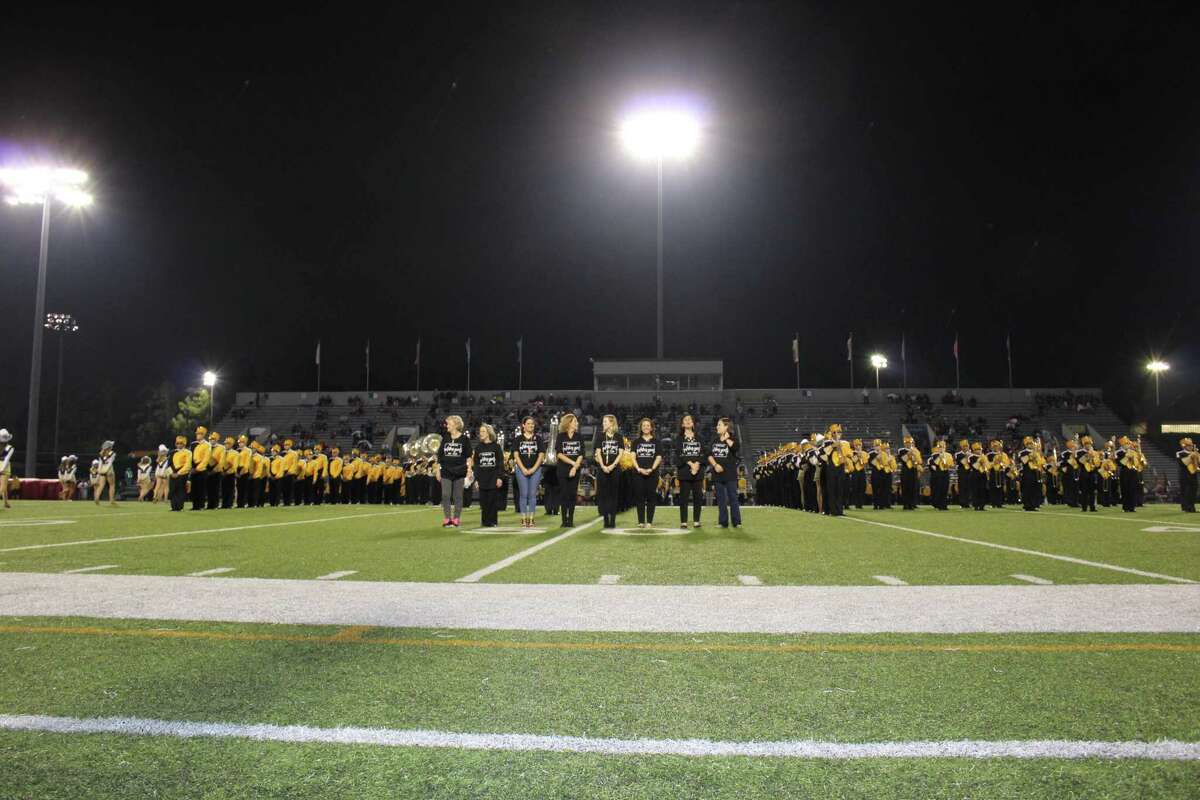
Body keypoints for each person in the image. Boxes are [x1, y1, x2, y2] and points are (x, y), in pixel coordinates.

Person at [435, 415, 472, 528]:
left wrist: (469, 470)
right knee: (445, 495)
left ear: (456, 425)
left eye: (449, 424)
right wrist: (437, 470)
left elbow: (469, 457)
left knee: (458, 496)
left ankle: (456, 518)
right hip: (446, 471)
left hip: (460, 471)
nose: (447, 426)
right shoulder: (445, 437)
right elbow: (440, 456)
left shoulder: (465, 440)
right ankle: (447, 518)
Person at [511, 416, 545, 529]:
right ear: (523, 425)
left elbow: (541, 455)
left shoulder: (538, 439)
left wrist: (534, 469)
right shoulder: (518, 439)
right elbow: (515, 455)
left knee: (532, 494)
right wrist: (523, 468)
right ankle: (523, 518)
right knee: (523, 494)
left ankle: (531, 519)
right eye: (529, 423)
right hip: (521, 470)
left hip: (535, 469)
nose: (531, 425)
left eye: (533, 424)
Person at [708, 417, 741, 528]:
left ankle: (737, 522)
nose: (717, 427)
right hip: (717, 474)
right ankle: (723, 522)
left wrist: (727, 439)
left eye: (719, 425)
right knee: (721, 499)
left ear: (726, 426)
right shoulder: (714, 440)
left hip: (730, 474)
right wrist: (715, 465)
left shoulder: (734, 438)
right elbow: (709, 455)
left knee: (733, 498)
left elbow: (736, 448)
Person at [593, 414, 624, 529]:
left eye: (605, 422)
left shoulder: (618, 437)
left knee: (613, 495)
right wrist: (603, 466)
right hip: (602, 470)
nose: (603, 424)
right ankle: (606, 520)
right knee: (604, 495)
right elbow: (598, 452)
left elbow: (620, 453)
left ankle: (613, 520)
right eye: (603, 422)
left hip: (615, 470)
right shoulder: (600, 436)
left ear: (612, 423)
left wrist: (612, 466)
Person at [631, 418, 662, 529]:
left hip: (652, 474)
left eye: (648, 425)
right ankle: (640, 521)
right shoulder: (636, 442)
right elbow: (633, 457)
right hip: (638, 474)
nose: (646, 427)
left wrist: (652, 469)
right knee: (639, 497)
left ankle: (649, 521)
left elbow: (658, 457)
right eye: (644, 425)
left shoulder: (656, 442)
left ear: (651, 427)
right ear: (641, 428)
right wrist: (639, 469)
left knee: (651, 497)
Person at [471, 423, 504, 527]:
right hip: (482, 478)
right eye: (480, 432)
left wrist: (499, 477)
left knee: (492, 501)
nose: (480, 433)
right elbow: (476, 465)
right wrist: (476, 479)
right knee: (483, 502)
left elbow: (500, 463)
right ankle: (484, 521)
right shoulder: (478, 448)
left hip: (493, 477)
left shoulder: (496, 446)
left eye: (483, 431)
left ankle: (493, 521)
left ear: (489, 433)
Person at [675, 414, 705, 529]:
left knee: (698, 497)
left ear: (693, 423)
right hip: (685, 471)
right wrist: (691, 464)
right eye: (685, 420)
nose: (688, 421)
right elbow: (679, 454)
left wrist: (697, 464)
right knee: (684, 498)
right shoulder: (679, 438)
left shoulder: (700, 438)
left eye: (690, 420)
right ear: (682, 424)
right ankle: (684, 521)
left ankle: (696, 521)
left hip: (698, 471)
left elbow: (703, 453)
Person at [555, 413, 584, 528]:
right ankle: (564, 520)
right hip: (562, 470)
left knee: (572, 495)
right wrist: (573, 464)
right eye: (575, 421)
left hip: (575, 470)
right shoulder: (561, 436)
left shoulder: (579, 437)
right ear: (568, 423)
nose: (577, 423)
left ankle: (570, 520)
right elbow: (559, 454)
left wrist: (575, 467)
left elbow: (581, 454)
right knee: (563, 495)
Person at [169, 435, 192, 511]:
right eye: (177, 443)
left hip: (182, 474)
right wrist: (171, 473)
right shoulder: (172, 452)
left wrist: (178, 473)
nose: (179, 445)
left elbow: (188, 465)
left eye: (181, 443)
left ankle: (179, 507)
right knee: (173, 490)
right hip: (172, 474)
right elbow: (169, 464)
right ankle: (173, 507)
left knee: (180, 491)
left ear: (184, 444)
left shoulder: (188, 452)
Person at [190, 426, 211, 511]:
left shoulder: (207, 445)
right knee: (194, 489)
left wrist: (197, 469)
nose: (197, 435)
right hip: (193, 468)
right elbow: (190, 457)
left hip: (201, 470)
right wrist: (191, 468)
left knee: (201, 489)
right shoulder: (193, 444)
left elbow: (206, 459)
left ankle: (201, 505)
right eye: (197, 433)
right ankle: (195, 506)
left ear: (203, 435)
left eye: (199, 434)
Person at [94, 441, 118, 506]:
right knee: (112, 485)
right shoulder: (112, 453)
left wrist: (99, 471)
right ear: (110, 447)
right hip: (109, 470)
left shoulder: (101, 454)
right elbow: (110, 462)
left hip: (102, 470)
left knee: (101, 485)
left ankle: (97, 497)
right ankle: (111, 500)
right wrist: (107, 470)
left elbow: (100, 463)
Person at [1177, 437, 1197, 513]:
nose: (1191, 447)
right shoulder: (1180, 453)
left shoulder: (1194, 453)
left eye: (1191, 445)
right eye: (1189, 445)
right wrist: (1191, 456)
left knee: (1193, 491)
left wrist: (1196, 456)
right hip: (1184, 475)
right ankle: (1185, 507)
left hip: (1193, 475)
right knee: (1186, 492)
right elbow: (1183, 463)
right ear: (1184, 446)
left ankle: (1192, 507)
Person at [0, 429, 13, 509]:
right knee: (3, 486)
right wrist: (2, 469)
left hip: (3, 466)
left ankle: (6, 503)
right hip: (5, 467)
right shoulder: (10, 448)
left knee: (3, 486)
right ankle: (6, 503)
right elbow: (6, 459)